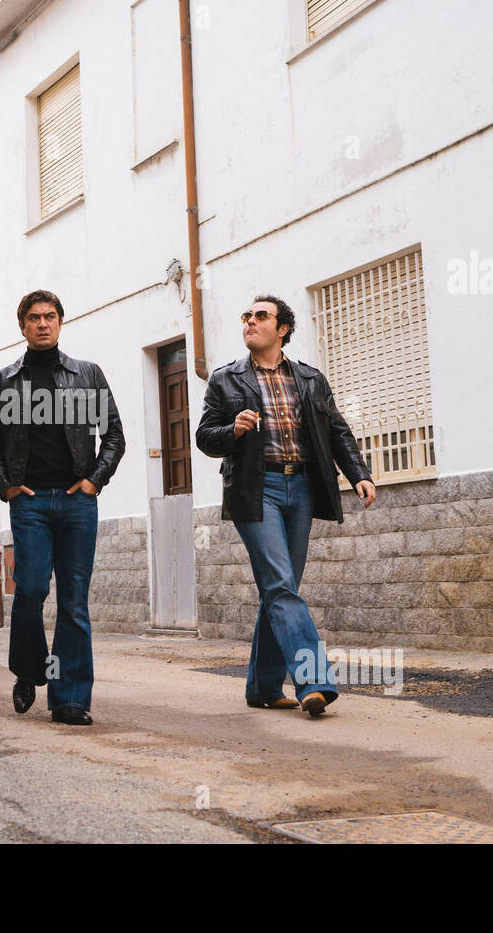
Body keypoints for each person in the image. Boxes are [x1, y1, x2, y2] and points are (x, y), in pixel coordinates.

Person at [196, 295, 375, 717]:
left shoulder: (310, 379)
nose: (251, 322)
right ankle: (314, 680)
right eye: (247, 316)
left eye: (262, 316)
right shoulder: (226, 380)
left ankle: (262, 686)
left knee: (281, 589)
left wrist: (359, 473)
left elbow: (336, 431)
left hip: (303, 489)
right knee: (279, 585)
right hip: (256, 489)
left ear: (283, 330)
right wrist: (232, 430)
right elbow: (204, 436)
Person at [0, 290, 125, 726]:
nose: (42, 324)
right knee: (30, 590)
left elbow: (113, 435)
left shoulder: (87, 375)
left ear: (60, 323)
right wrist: (5, 486)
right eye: (33, 318)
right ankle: (29, 667)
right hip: (30, 503)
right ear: (21, 327)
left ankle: (69, 699)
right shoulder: (4, 381)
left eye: (50, 317)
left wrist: (94, 481)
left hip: (77, 502)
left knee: (74, 602)